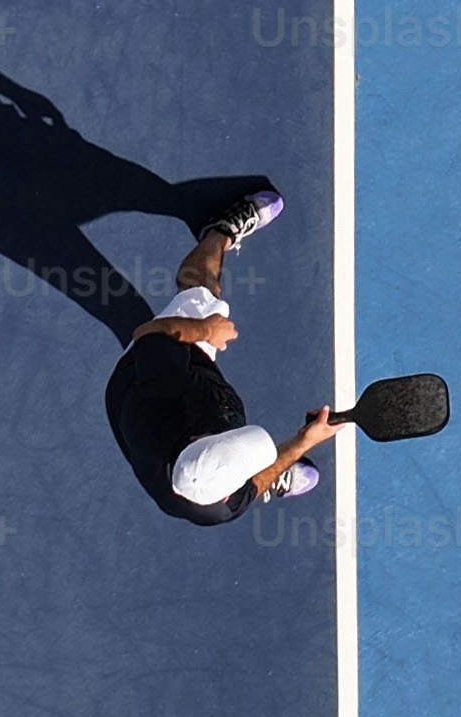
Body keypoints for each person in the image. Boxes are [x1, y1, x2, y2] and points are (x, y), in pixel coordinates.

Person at [100, 204, 343, 529]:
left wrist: (205, 331)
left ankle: (220, 229)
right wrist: (304, 442)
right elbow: (254, 484)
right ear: (226, 495)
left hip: (138, 380)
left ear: (198, 438)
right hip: (175, 419)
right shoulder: (223, 508)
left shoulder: (164, 389)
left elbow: (148, 334)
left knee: (203, 292)